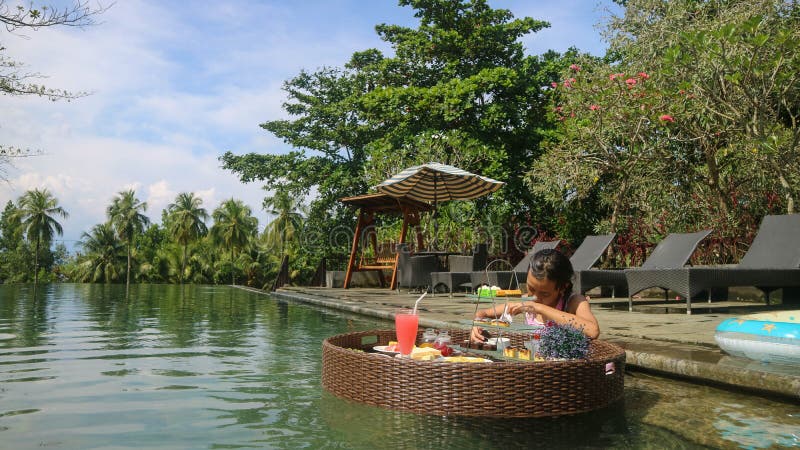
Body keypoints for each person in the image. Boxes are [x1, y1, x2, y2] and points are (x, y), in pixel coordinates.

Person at [470, 248, 600, 342]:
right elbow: (483, 313)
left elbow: (593, 331)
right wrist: (478, 324)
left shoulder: (573, 302)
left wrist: (539, 308)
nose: (535, 297)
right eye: (531, 288)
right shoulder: (526, 301)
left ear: (562, 287)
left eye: (545, 293)